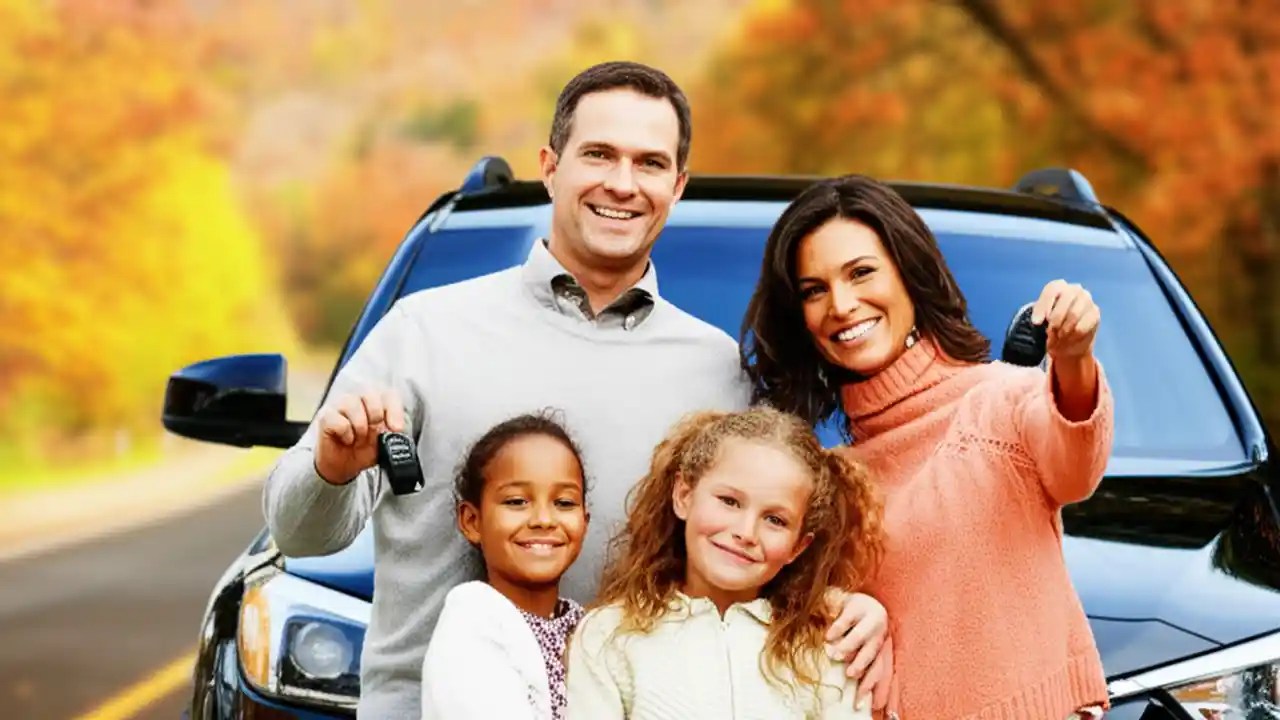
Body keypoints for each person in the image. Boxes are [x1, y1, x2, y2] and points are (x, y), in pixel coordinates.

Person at [263, 63, 888, 719]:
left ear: (676, 186)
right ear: (550, 167)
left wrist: (849, 605)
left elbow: (766, 562)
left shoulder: (722, 374)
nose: (622, 182)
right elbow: (298, 535)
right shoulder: (424, 331)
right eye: (599, 154)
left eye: (649, 163)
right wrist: (332, 469)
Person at [741, 174, 1114, 720]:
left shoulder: (1002, 399)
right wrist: (833, 602)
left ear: (909, 275)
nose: (841, 304)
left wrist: (1074, 360)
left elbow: (1076, 468)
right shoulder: (821, 478)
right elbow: (760, 597)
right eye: (813, 290)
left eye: (861, 272)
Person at [565, 407, 883, 719]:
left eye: (775, 520)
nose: (746, 532)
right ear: (684, 495)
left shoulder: (828, 645)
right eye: (729, 502)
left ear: (798, 546)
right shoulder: (608, 635)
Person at [421, 412, 589, 720]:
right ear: (472, 521)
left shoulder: (594, 632)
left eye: (564, 503)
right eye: (516, 501)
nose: (544, 519)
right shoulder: (470, 626)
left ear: (585, 521)